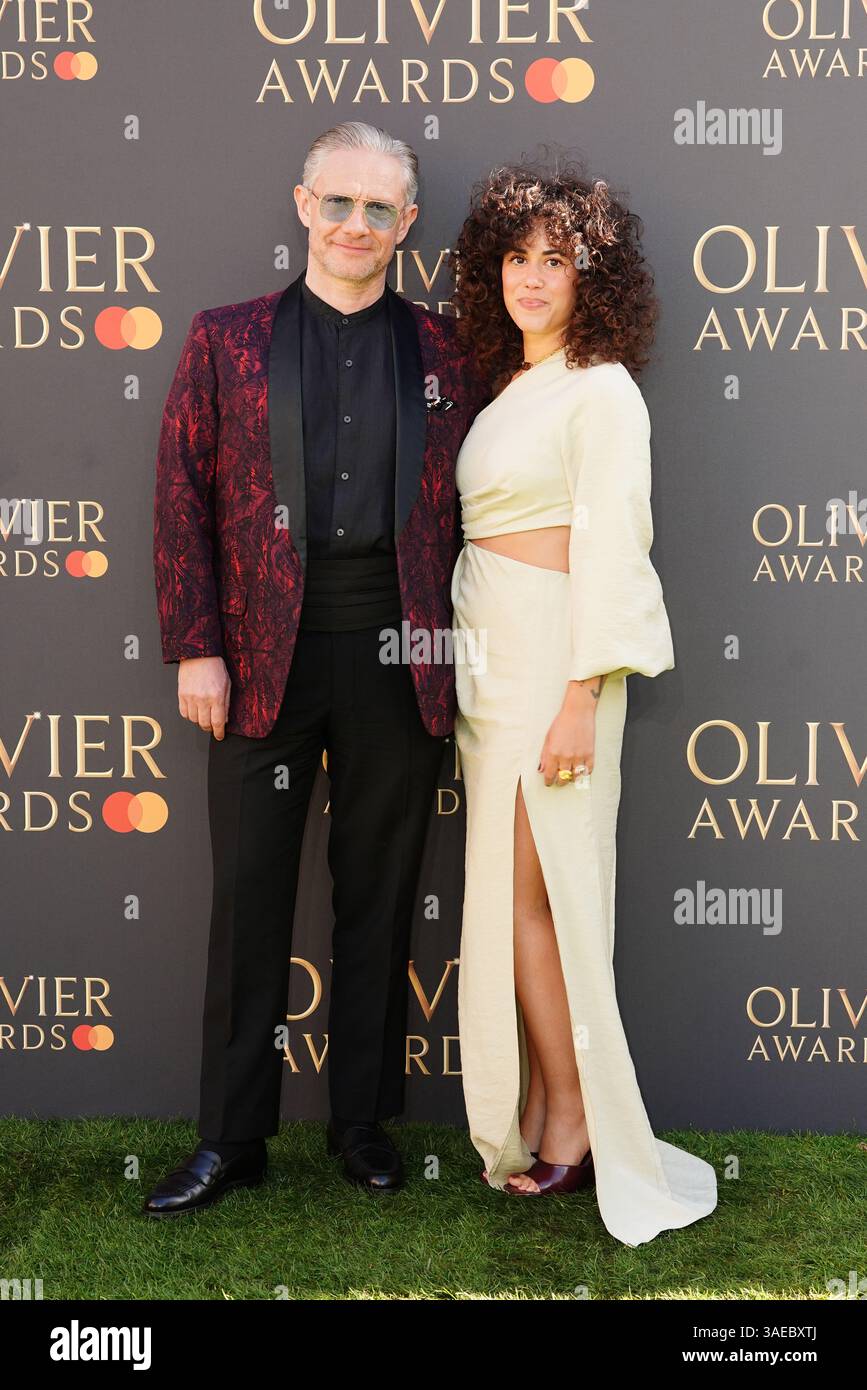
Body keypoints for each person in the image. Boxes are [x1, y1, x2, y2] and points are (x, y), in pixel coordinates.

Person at [145, 121, 487, 1216]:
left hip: (399, 660)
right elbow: (180, 498)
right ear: (302, 206)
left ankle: (361, 1125)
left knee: (379, 897)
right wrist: (197, 645)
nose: (355, 224)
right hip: (256, 664)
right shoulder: (224, 340)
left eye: (379, 208)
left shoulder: (449, 354)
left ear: (407, 225)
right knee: (248, 899)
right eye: (337, 202)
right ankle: (231, 1138)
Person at [447, 161, 718, 1246]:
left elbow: (614, 549)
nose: (532, 276)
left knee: (535, 906)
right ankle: (551, 1108)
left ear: (591, 278)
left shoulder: (603, 388)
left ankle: (572, 1122)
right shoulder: (513, 385)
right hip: (490, 669)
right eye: (518, 255)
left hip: (555, 669)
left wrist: (578, 695)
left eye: (556, 259)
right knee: (514, 906)